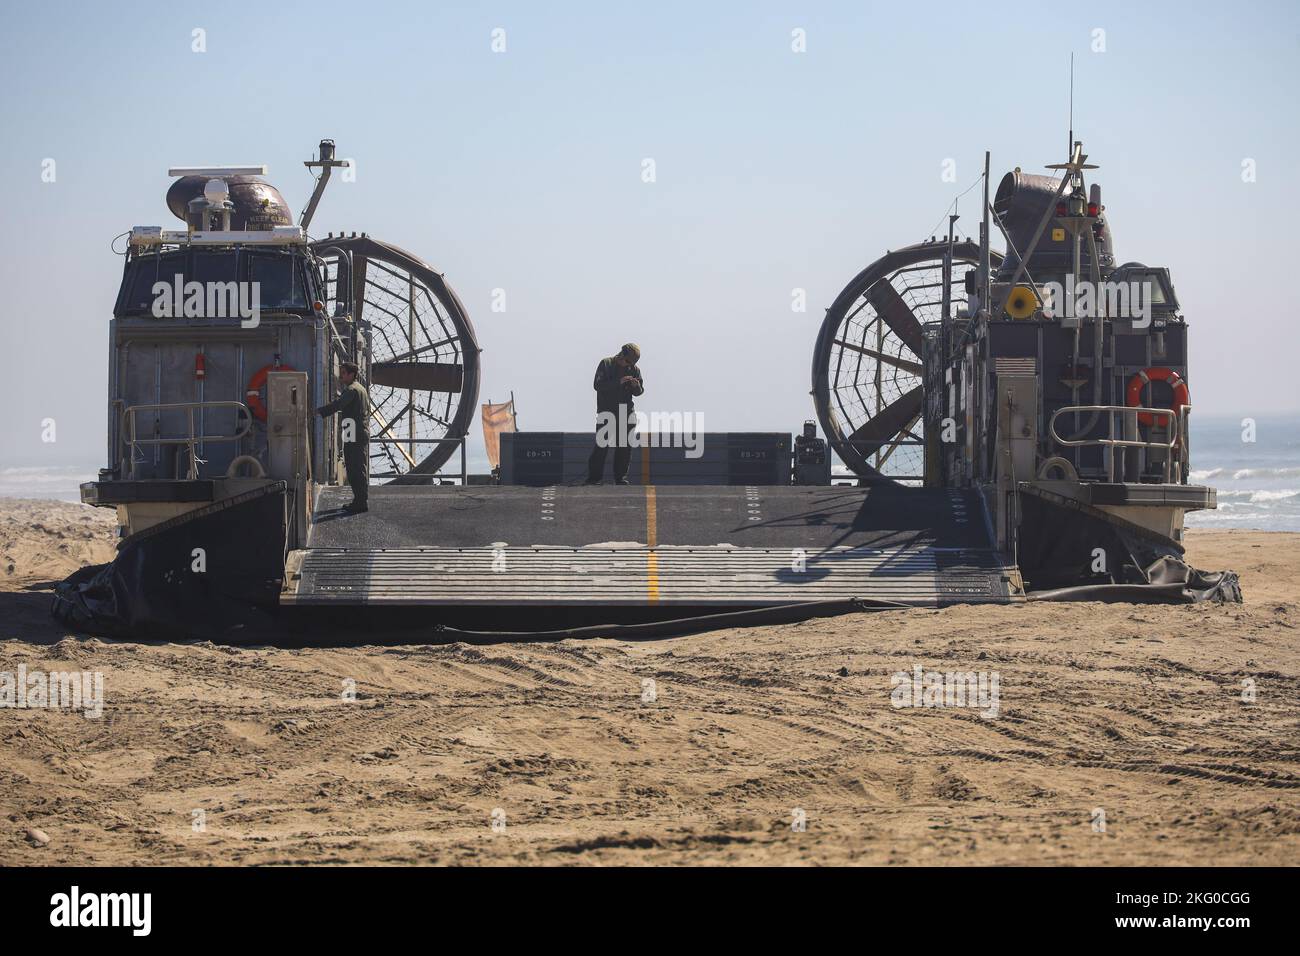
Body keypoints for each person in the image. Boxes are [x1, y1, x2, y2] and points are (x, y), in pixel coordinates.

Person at [586, 343, 644, 485]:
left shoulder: (634, 370)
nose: (628, 364)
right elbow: (597, 385)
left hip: (626, 413)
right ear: (621, 355)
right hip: (607, 412)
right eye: (627, 361)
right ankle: (594, 478)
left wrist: (636, 386)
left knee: (624, 447)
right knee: (601, 445)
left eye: (631, 363)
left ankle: (620, 477)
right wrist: (618, 382)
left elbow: (639, 392)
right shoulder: (606, 364)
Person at [316, 361, 370, 513]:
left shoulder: (351, 390)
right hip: (358, 430)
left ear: (352, 374)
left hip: (353, 432)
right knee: (359, 467)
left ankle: (360, 503)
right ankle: (360, 500)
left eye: (344, 373)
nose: (341, 376)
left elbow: (338, 405)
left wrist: (319, 412)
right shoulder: (361, 389)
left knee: (354, 468)